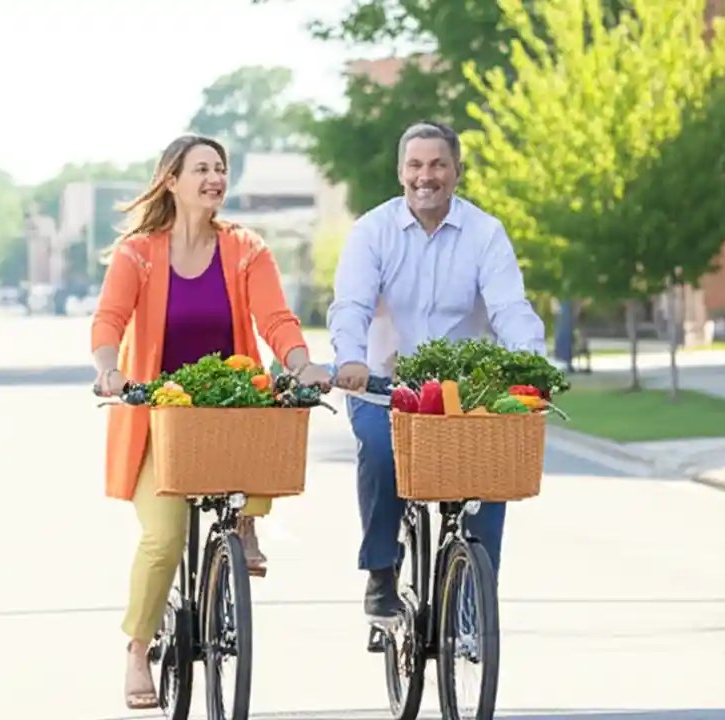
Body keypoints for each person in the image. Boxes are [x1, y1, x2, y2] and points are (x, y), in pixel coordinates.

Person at [90, 134, 332, 709]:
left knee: (274, 423)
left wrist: (302, 364)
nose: (214, 178)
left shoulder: (246, 248)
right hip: (159, 416)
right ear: (171, 180)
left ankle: (245, 521)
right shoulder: (138, 254)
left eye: (220, 169)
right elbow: (109, 321)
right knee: (164, 535)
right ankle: (138, 648)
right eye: (201, 168)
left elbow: (275, 319)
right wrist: (108, 371)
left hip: (227, 411)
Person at [327, 121, 547, 621]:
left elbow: (509, 307)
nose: (426, 176)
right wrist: (351, 360)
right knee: (382, 453)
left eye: (438, 165)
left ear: (456, 171)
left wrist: (529, 362)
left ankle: (473, 597)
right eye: (416, 165)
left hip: (463, 389)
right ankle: (382, 572)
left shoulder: (485, 233)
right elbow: (351, 306)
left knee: (491, 468)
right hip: (382, 384)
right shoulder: (372, 232)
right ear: (401, 172)